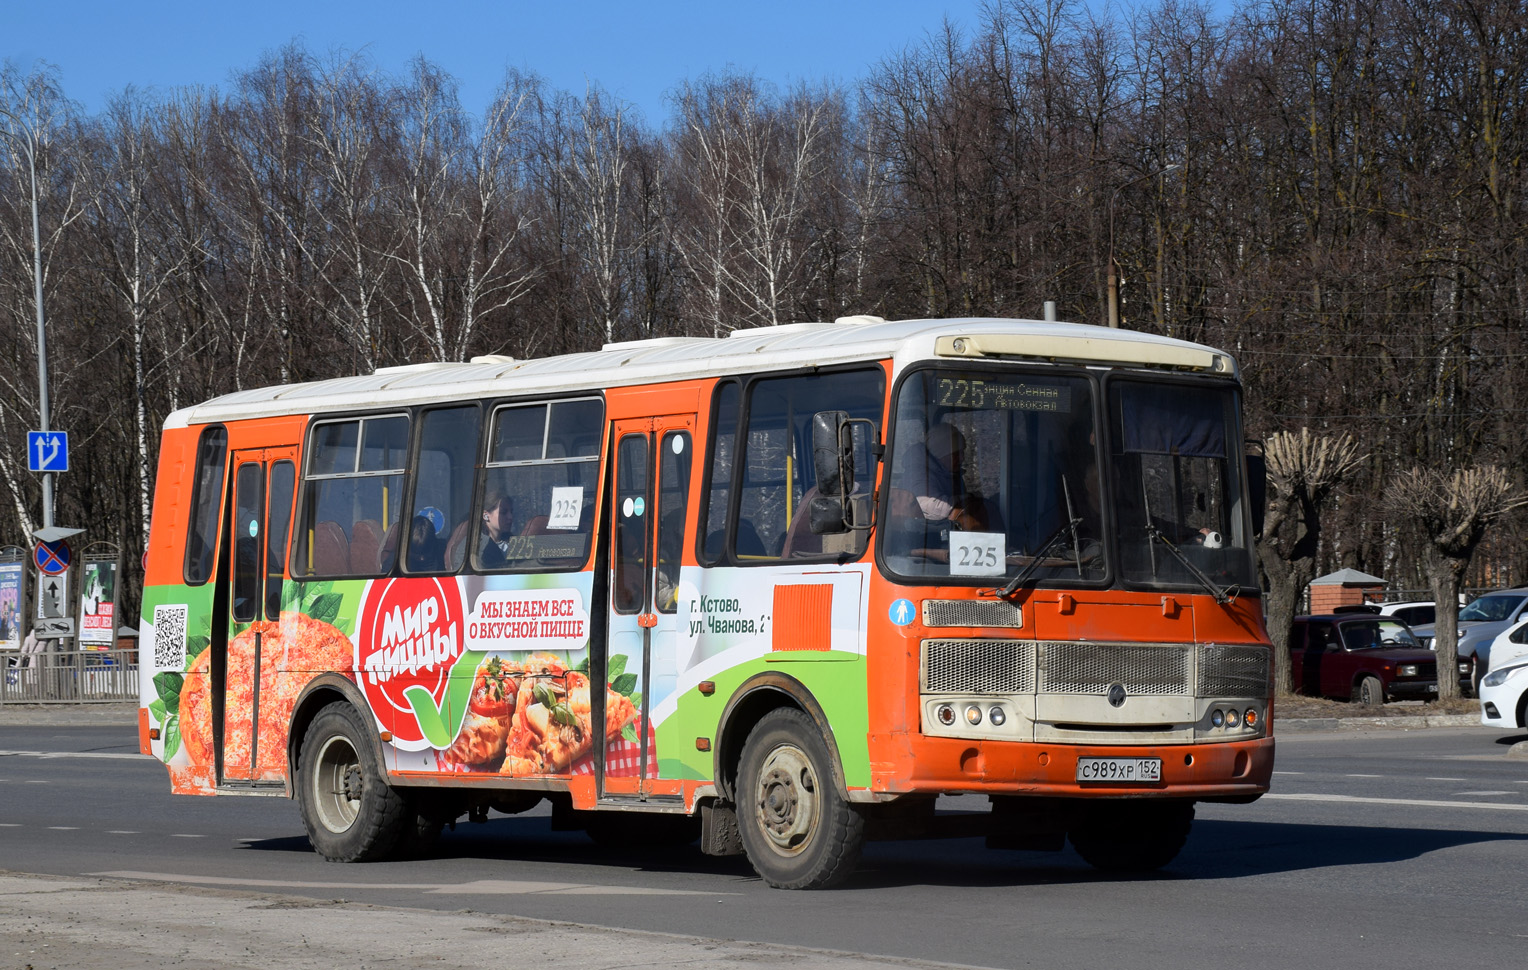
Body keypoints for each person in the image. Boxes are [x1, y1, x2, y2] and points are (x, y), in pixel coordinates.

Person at [909, 423, 985, 531]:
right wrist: (968, 499)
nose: (962, 458)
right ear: (941, 454)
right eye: (956, 454)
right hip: (924, 537)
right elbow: (933, 507)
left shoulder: (950, 474)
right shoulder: (918, 474)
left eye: (962, 452)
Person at [479, 490, 514, 568]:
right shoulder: (475, 547)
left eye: (511, 512)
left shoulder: (513, 541)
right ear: (486, 515)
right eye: (503, 512)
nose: (510, 517)